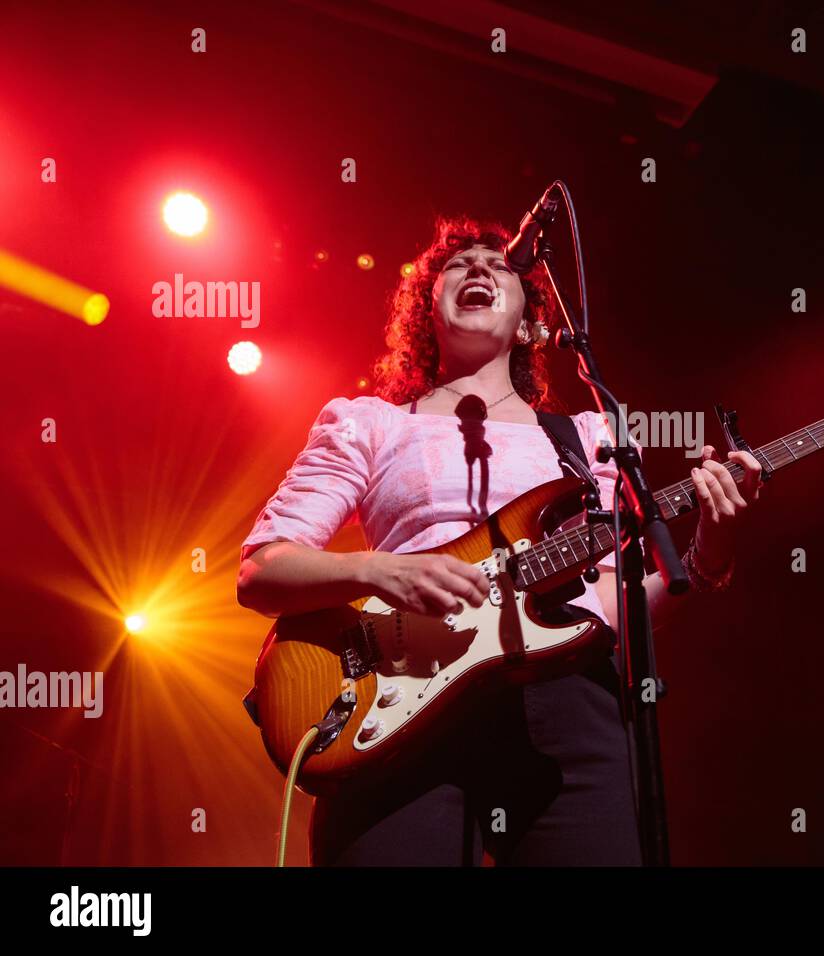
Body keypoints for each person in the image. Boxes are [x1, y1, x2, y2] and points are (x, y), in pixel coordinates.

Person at [236, 215, 763, 866]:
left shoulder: (585, 439)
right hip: (400, 700)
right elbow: (265, 570)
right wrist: (384, 573)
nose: (481, 268)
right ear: (426, 312)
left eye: (501, 265)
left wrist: (708, 553)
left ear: (527, 324)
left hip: (563, 709)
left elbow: (610, 611)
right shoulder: (367, 424)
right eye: (459, 265)